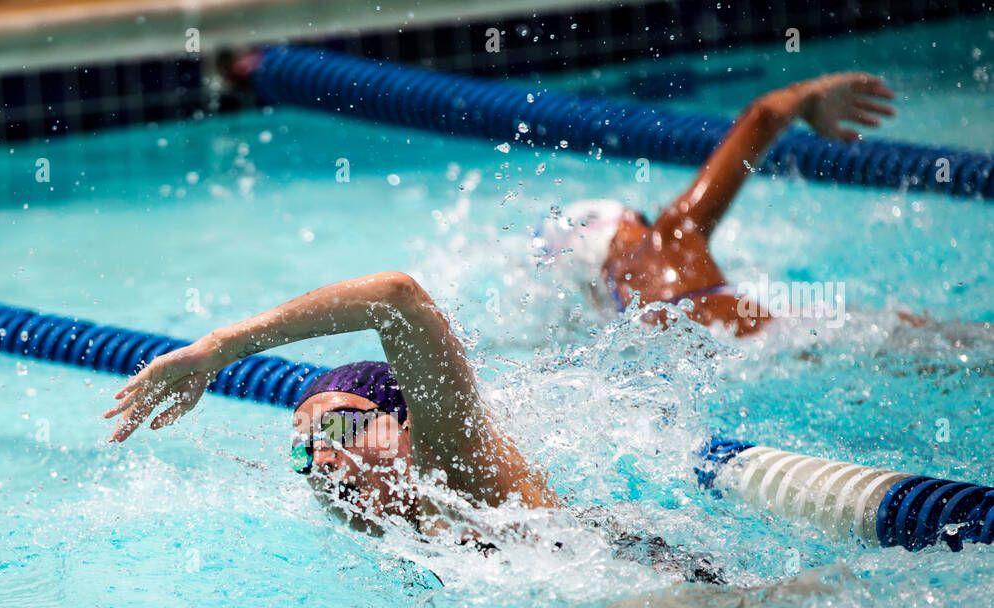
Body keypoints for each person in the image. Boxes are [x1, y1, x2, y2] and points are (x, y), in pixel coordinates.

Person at [101, 74, 899, 578]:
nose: (324, 465)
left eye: (339, 435)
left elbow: (396, 295)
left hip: (644, 582)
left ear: (402, 424)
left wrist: (216, 348)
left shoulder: (449, 460)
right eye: (308, 448)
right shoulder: (392, 514)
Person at [537, 72, 897, 335]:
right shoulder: (670, 236)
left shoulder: (626, 312)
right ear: (627, 219)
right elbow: (764, 116)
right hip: (813, 342)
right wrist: (806, 95)